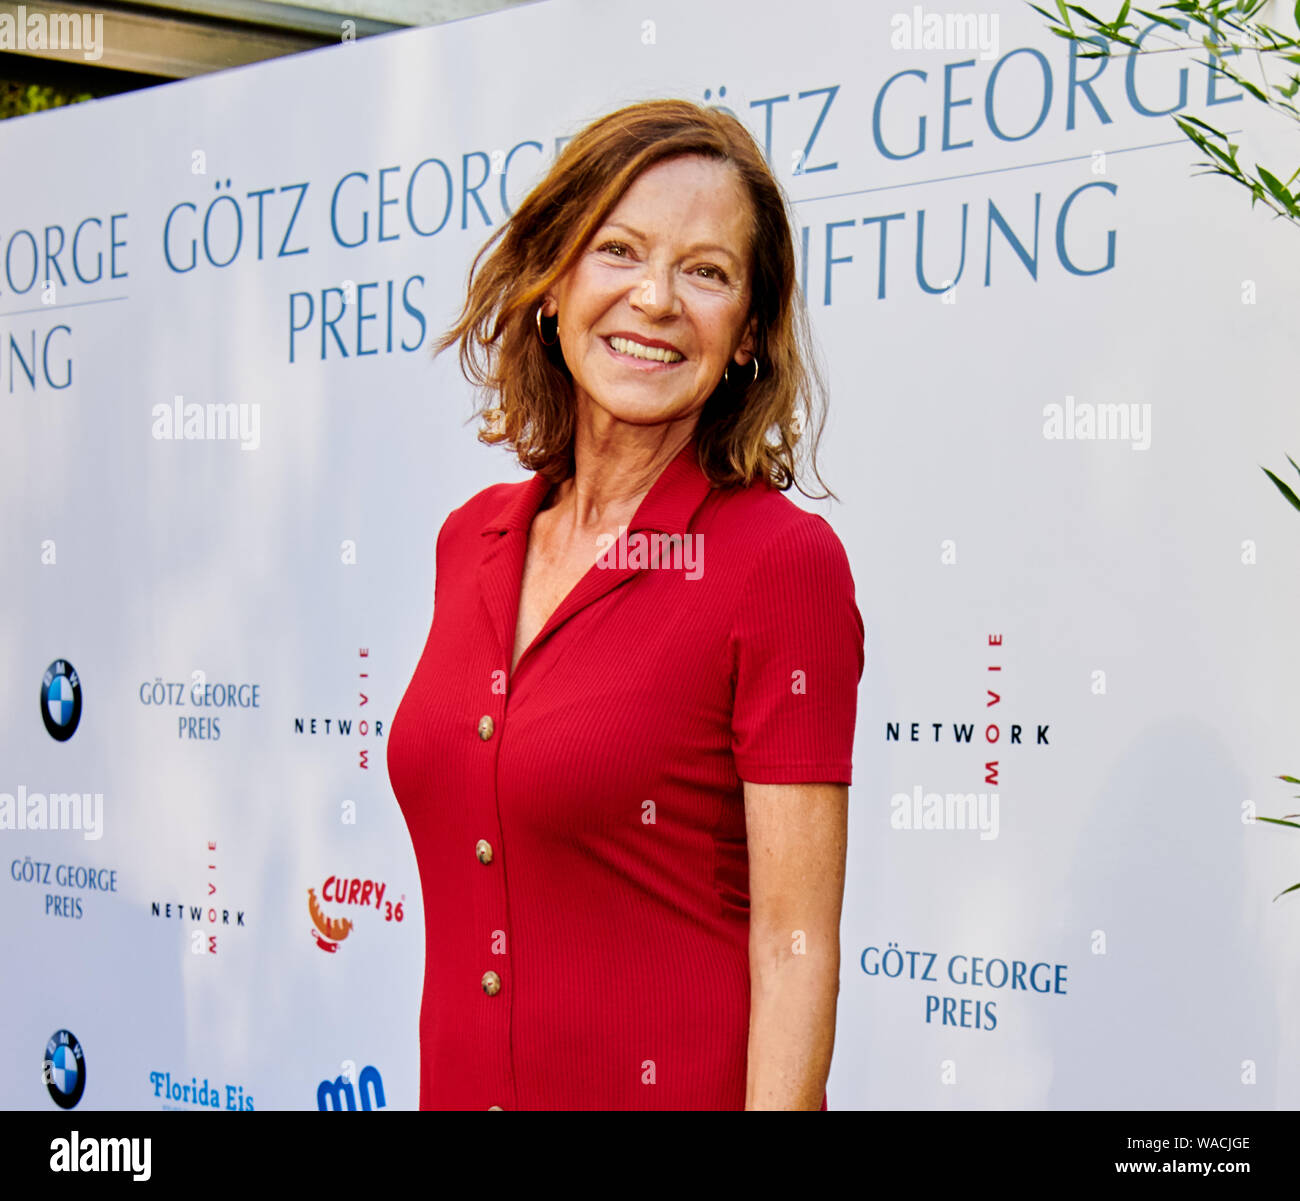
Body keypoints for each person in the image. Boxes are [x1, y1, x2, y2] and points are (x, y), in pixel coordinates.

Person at [387, 98, 864, 1110]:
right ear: (552, 283)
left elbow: (794, 942)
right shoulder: (468, 540)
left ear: (746, 334)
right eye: (619, 250)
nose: (654, 298)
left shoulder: (781, 563)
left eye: (707, 271)